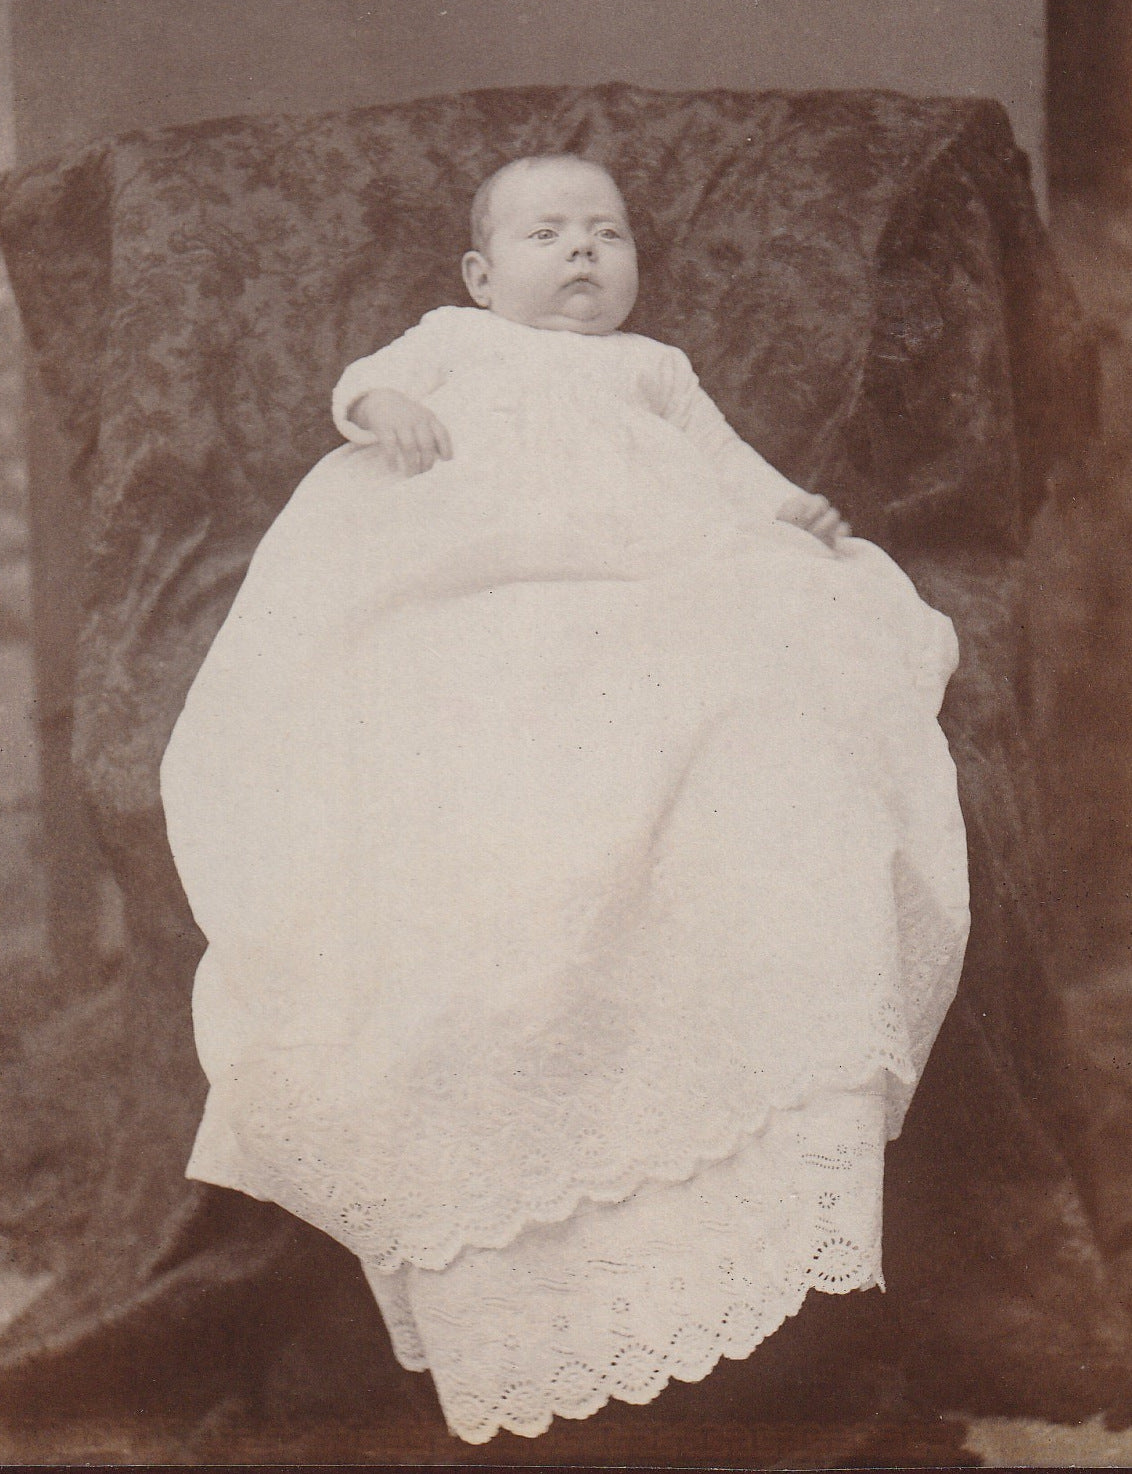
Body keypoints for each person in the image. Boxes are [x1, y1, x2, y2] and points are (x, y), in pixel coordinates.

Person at [160, 154, 969, 1445]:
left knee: (741, 665)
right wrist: (386, 410)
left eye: (608, 234)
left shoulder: (652, 370)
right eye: (549, 234)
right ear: (485, 274)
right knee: (468, 693)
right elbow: (359, 382)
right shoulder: (456, 344)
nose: (585, 254)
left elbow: (723, 463)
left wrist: (787, 510)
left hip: (643, 564)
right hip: (475, 559)